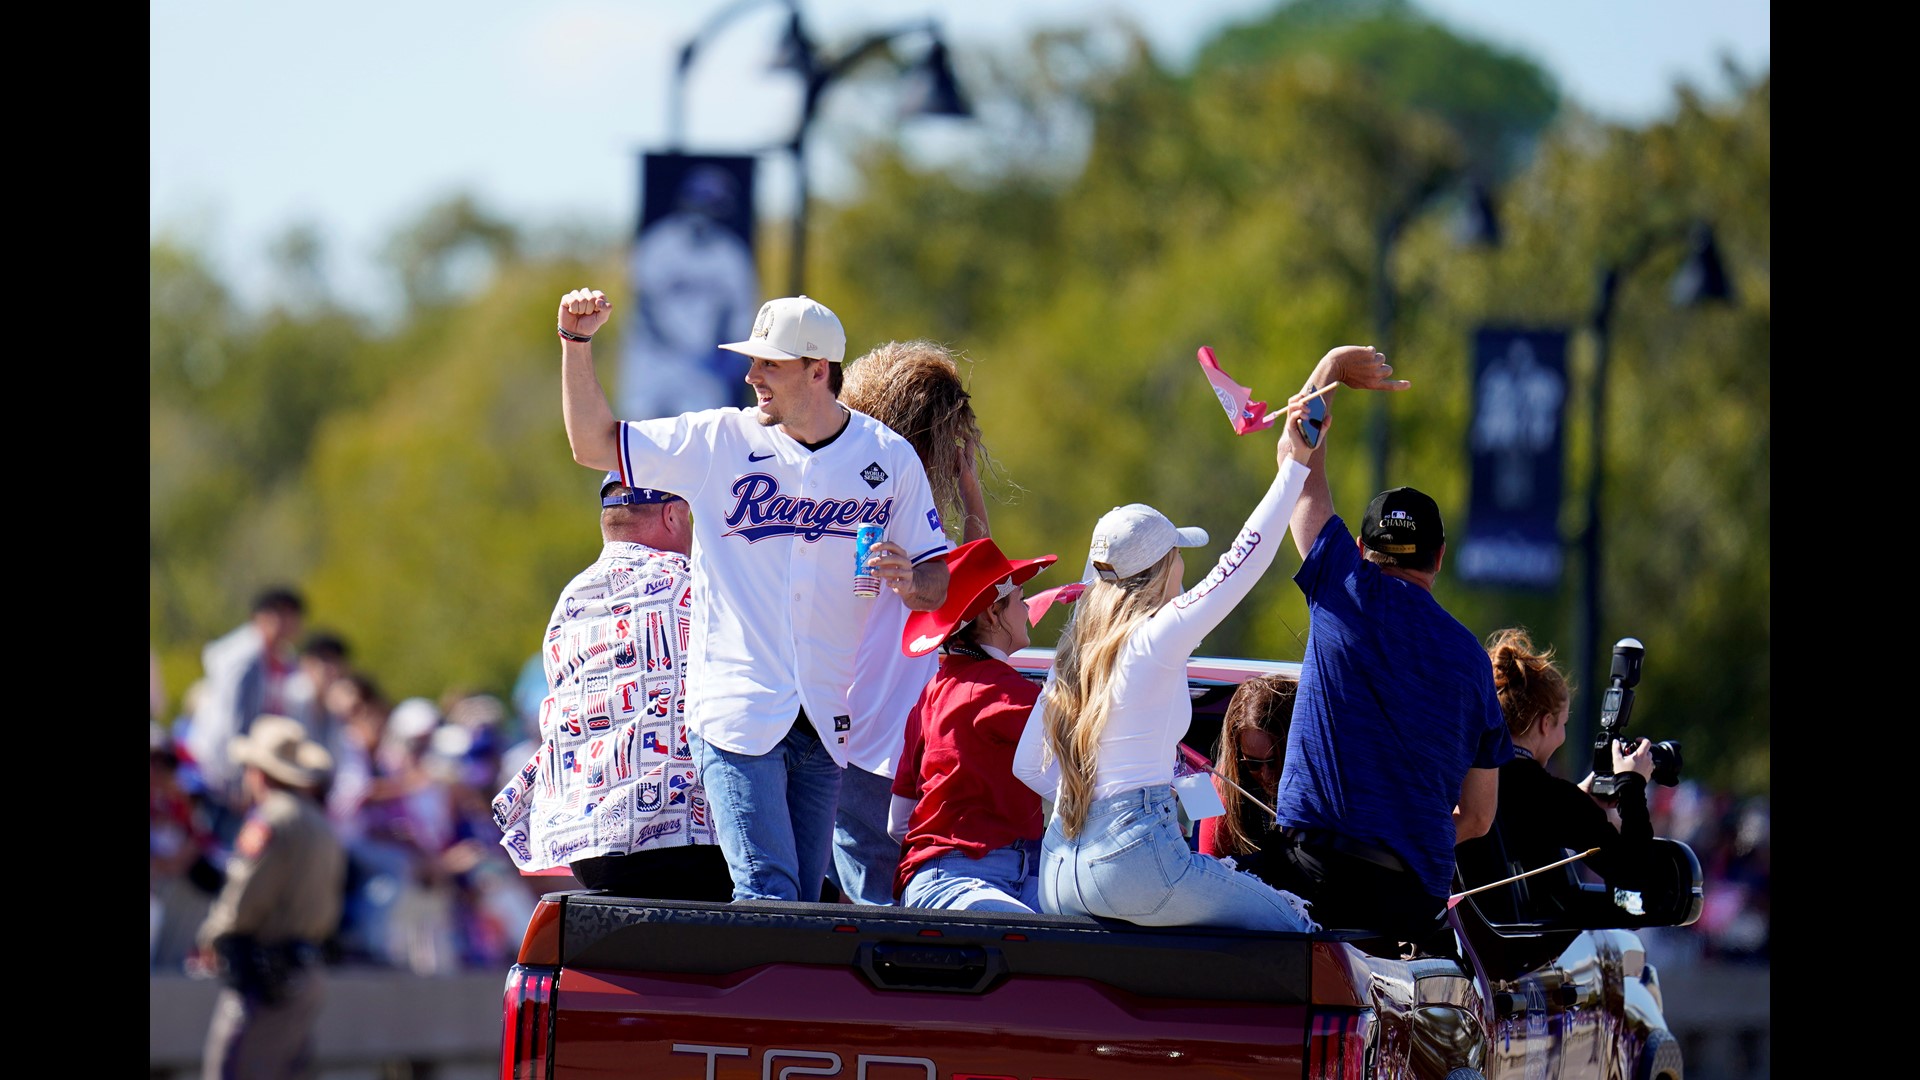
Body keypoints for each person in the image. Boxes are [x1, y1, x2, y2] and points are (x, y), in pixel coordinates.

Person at [553, 287, 951, 902]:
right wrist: (576, 346)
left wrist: (912, 579)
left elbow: (936, 580)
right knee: (768, 891)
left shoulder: (886, 455)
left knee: (806, 899)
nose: (752, 374)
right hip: (738, 706)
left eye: (770, 362)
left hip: (824, 712)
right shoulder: (718, 440)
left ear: (818, 371)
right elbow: (592, 445)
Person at [1011, 389, 1328, 932]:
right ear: (1161, 569)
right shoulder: (1154, 637)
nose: (1182, 566)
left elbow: (1028, 767)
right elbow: (1242, 561)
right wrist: (1293, 466)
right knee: (1294, 926)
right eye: (1177, 555)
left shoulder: (1075, 655)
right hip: (1135, 863)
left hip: (1059, 869)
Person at [1259, 346, 1515, 946]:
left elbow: (1297, 469)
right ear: (1440, 560)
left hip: (1309, 882)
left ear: (1361, 547)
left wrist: (1328, 372)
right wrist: (1404, 826)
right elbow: (1478, 817)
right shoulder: (1473, 661)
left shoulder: (1341, 583)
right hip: (1406, 908)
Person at [491, 472, 732, 902]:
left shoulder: (570, 600)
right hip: (687, 837)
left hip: (586, 848)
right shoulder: (695, 582)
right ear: (673, 516)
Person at [833, 340, 995, 904]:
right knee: (884, 906)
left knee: (881, 905)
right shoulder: (864, 516)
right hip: (868, 739)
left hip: (891, 742)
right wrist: (969, 485)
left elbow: (982, 586)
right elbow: (984, 592)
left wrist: (970, 485)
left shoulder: (904, 522)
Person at [888, 539, 1056, 912]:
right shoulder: (1000, 688)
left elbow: (897, 824)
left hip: (940, 881)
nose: (1027, 608)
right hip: (968, 885)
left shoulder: (930, 694)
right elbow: (1084, 752)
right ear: (993, 614)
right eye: (1020, 597)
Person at [1456, 628, 1655, 913]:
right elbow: (1636, 872)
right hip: (1517, 953)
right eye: (1562, 724)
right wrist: (1632, 784)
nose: (1562, 736)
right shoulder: (1546, 796)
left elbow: (1522, 814)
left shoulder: (1465, 777)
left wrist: (1577, 797)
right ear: (1545, 723)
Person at [194, 715, 347, 1080]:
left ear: (259, 773)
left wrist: (211, 937)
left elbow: (245, 897)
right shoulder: (321, 823)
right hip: (306, 972)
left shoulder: (272, 820)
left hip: (265, 975)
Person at [187, 586, 308, 841]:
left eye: (291, 617)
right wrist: (239, 777)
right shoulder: (245, 660)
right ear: (260, 617)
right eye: (279, 615)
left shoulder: (282, 661)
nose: (285, 625)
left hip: (248, 767)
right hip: (221, 769)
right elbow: (232, 722)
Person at [1197, 674, 1296, 867]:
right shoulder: (1224, 784)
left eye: (1275, 762)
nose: (1266, 775)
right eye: (1253, 763)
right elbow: (1211, 867)